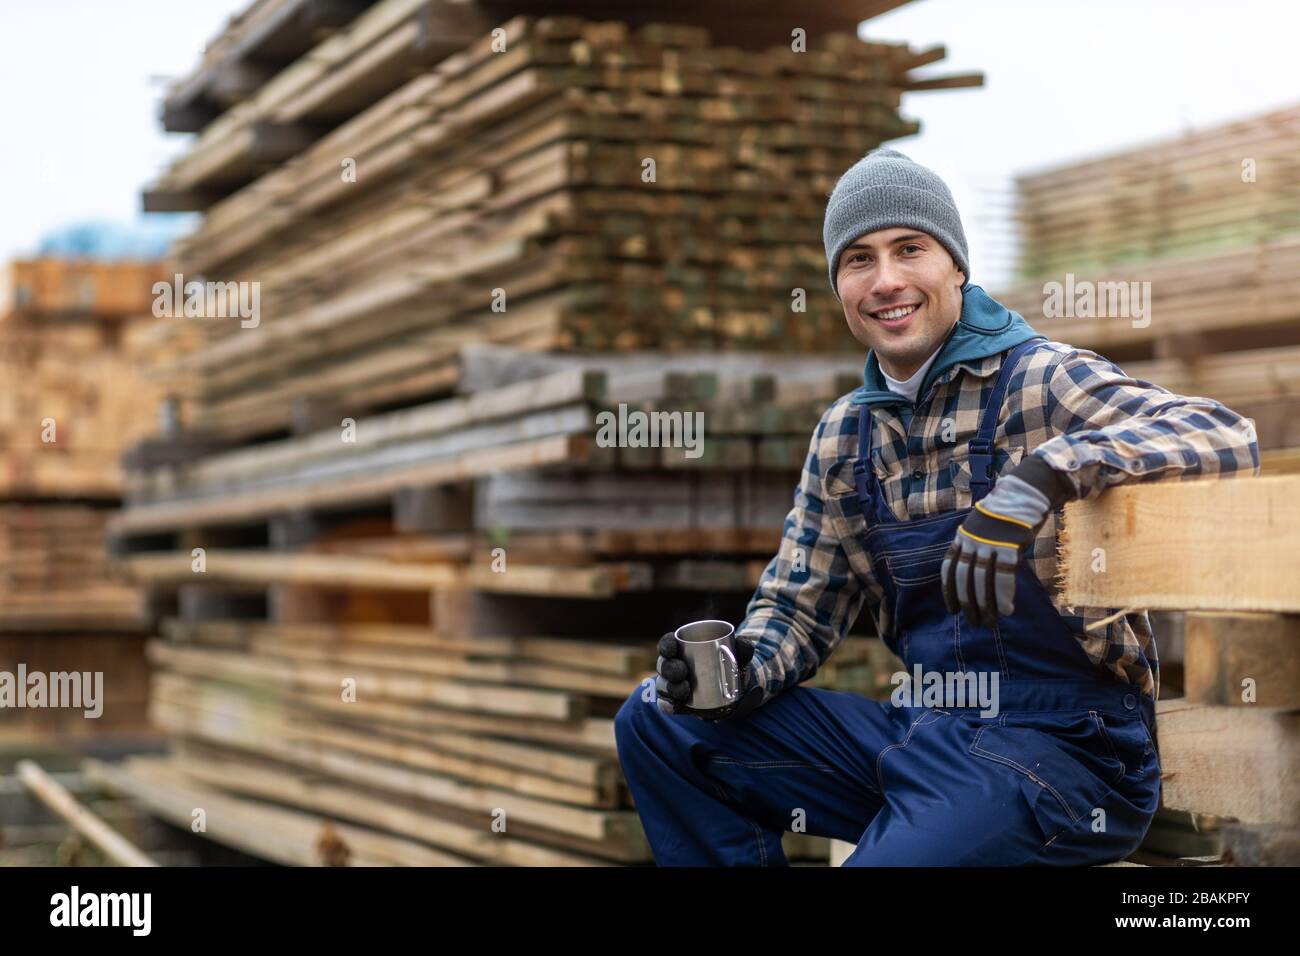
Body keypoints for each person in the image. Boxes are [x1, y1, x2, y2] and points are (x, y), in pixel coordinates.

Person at [614, 148, 1260, 866]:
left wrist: (1042, 478)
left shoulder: (1041, 382)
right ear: (838, 286)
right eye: (859, 260)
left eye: (909, 250)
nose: (886, 280)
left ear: (955, 265)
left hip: (1068, 756)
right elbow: (797, 611)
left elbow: (1225, 433)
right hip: (929, 731)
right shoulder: (845, 434)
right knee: (657, 720)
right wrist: (737, 667)